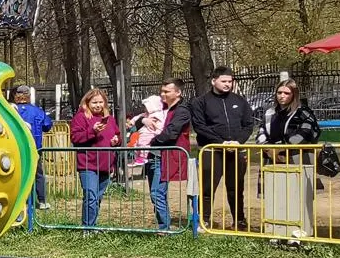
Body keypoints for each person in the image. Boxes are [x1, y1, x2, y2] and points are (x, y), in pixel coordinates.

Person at [189, 66, 256, 231]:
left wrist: (238, 142)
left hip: (235, 151)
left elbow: (248, 125)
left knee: (236, 188)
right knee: (207, 188)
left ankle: (239, 221)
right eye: (224, 81)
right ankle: (203, 221)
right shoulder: (200, 102)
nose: (228, 84)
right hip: (211, 150)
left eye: (230, 81)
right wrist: (220, 142)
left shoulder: (239, 101)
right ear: (214, 81)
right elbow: (200, 126)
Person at [127, 80, 191, 230]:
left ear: (178, 93)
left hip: (165, 156)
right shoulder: (158, 108)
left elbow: (170, 133)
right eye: (162, 91)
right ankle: (163, 225)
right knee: (155, 193)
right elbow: (134, 126)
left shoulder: (182, 111)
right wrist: (144, 119)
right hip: (152, 155)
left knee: (157, 192)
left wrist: (152, 142)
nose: (163, 94)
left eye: (167, 91)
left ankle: (164, 228)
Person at [69, 88, 120, 228]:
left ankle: (92, 224)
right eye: (94, 102)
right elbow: (75, 137)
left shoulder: (110, 119)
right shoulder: (80, 118)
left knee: (97, 198)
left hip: (105, 165)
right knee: (90, 197)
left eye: (100, 102)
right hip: (88, 164)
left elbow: (117, 134)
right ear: (87, 103)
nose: (98, 105)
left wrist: (117, 140)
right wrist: (92, 131)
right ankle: (88, 228)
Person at [10, 85, 52, 211]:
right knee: (37, 174)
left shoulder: (11, 110)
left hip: (17, 148)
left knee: (19, 174)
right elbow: (47, 125)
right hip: (35, 148)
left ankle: (20, 200)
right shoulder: (37, 111)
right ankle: (42, 200)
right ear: (28, 96)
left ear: (15, 95)